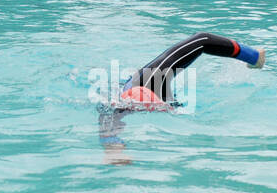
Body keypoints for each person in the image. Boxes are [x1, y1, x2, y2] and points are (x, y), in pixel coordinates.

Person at [97, 33, 266, 163]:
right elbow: (203, 40)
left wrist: (112, 147)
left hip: (149, 100)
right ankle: (255, 57)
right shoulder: (147, 80)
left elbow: (109, 114)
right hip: (148, 95)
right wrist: (253, 56)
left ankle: (113, 147)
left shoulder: (120, 94)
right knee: (200, 40)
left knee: (115, 109)